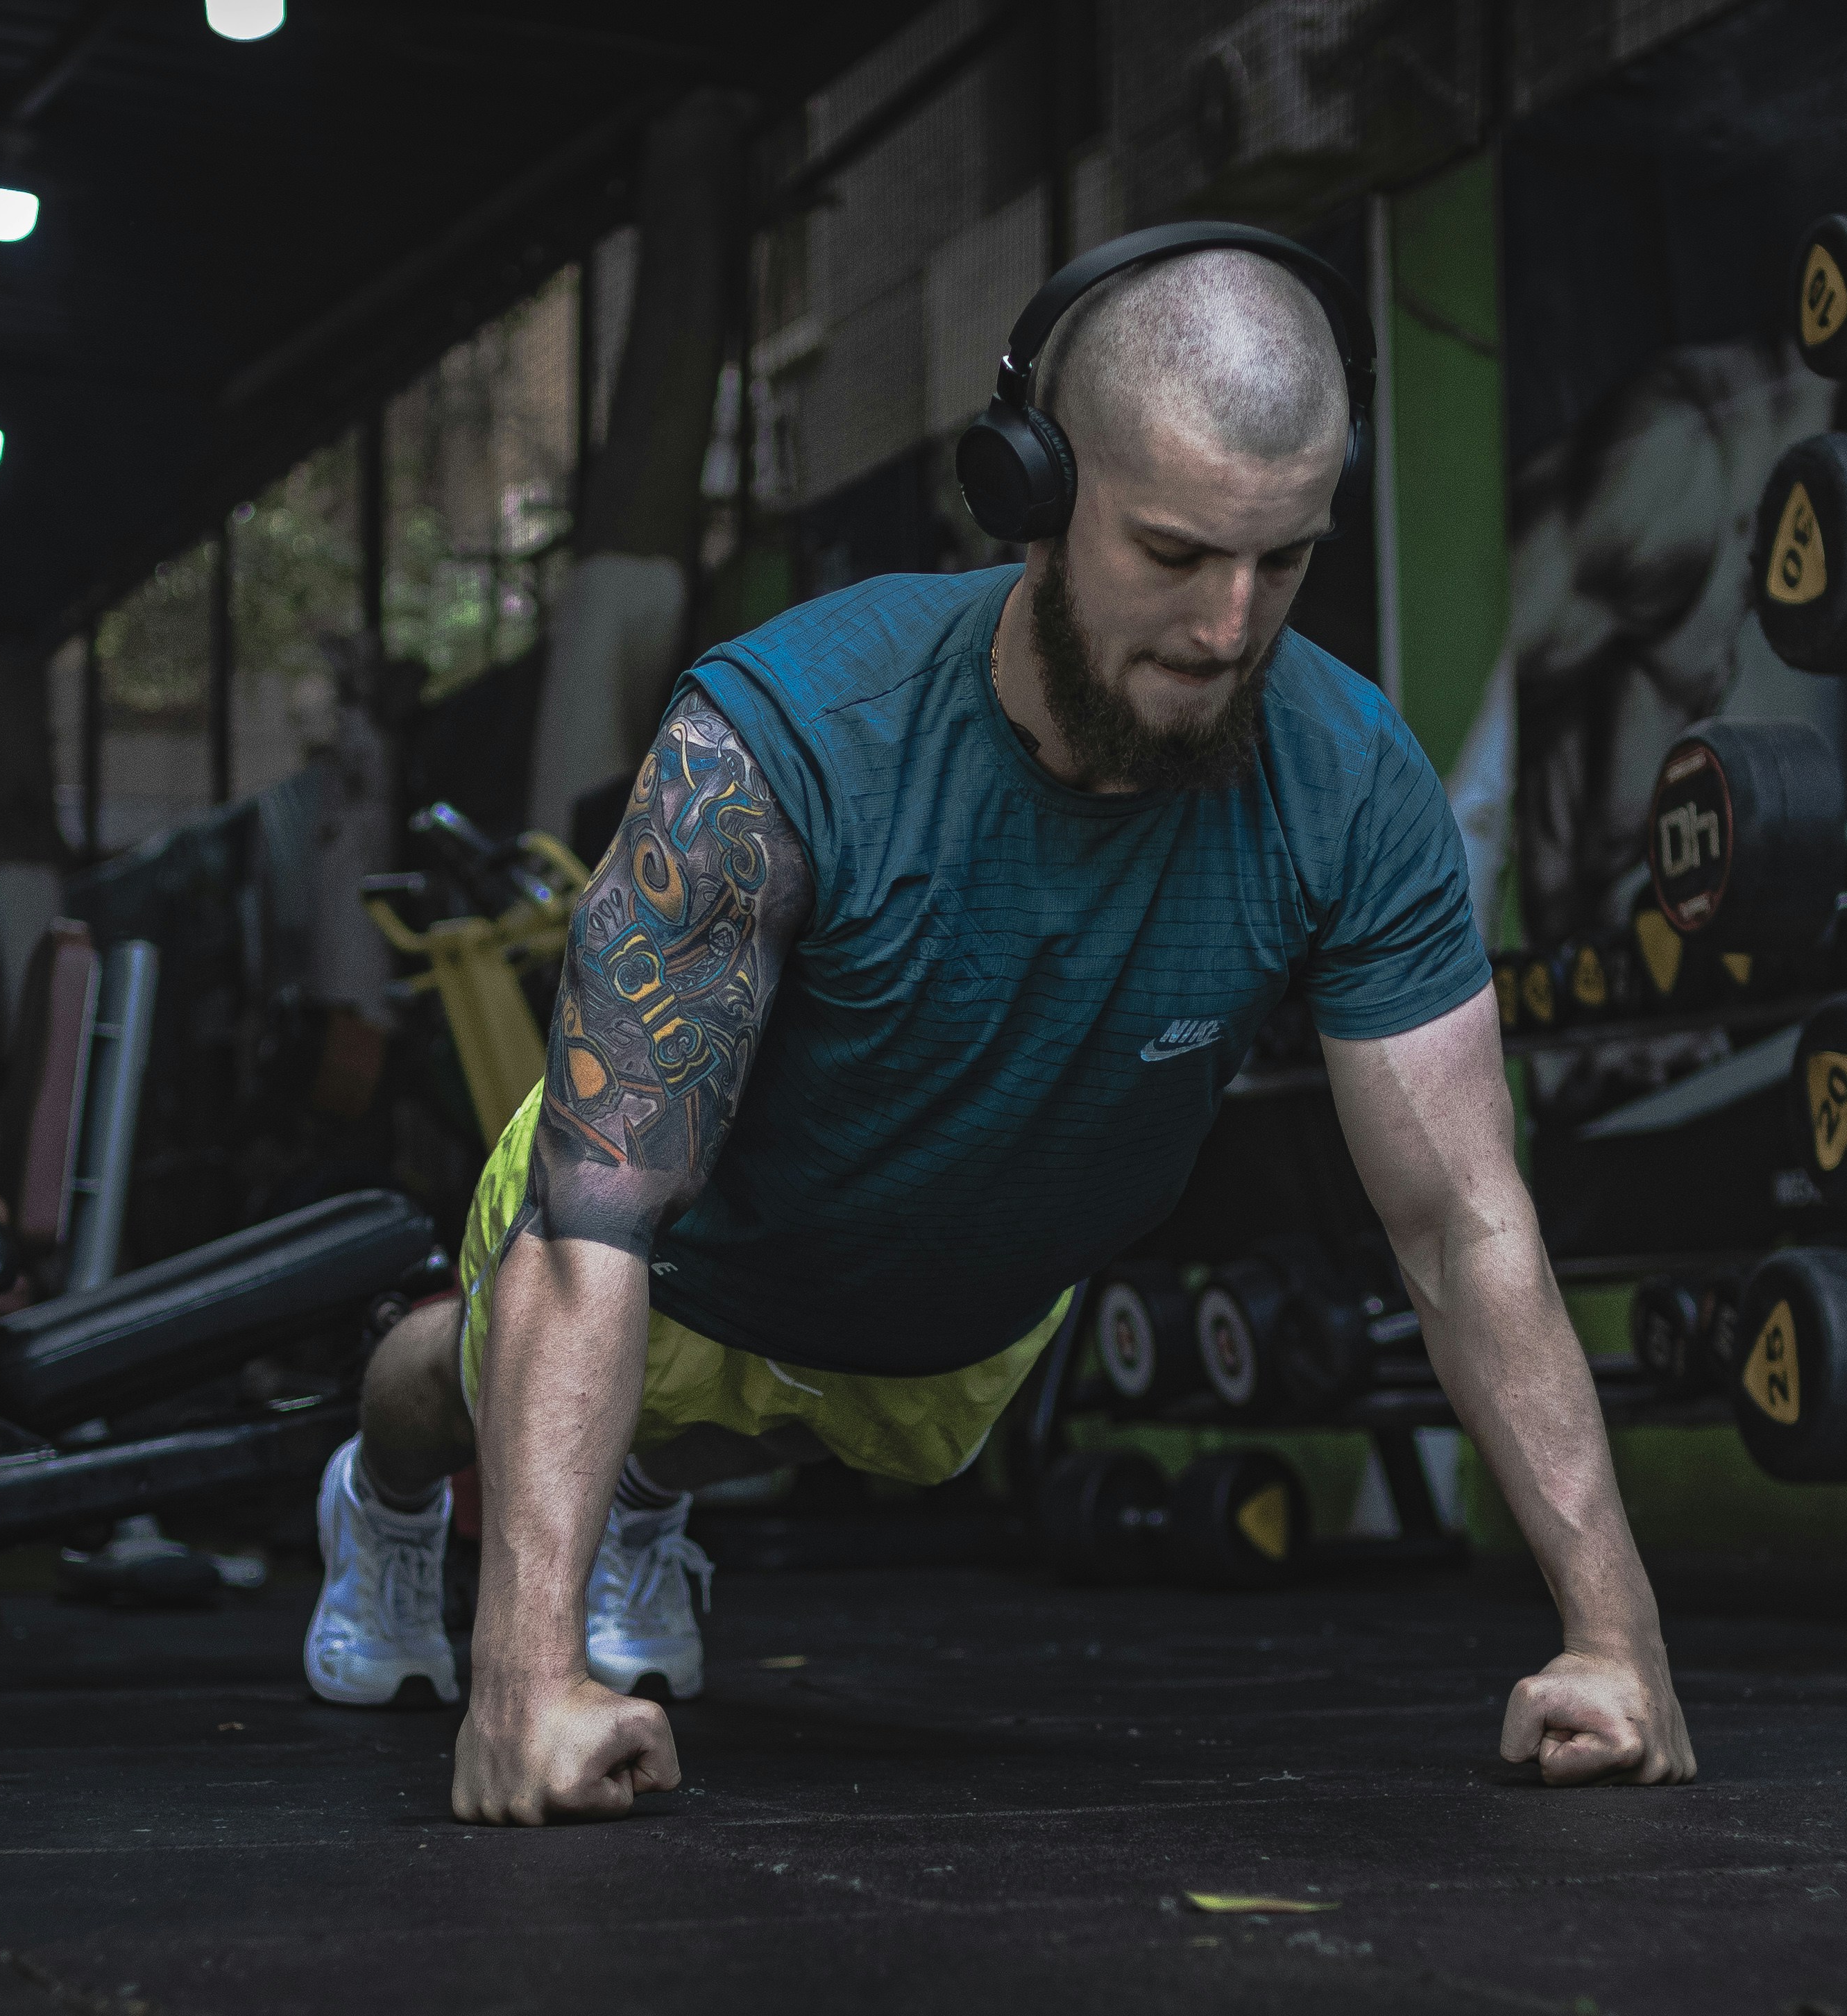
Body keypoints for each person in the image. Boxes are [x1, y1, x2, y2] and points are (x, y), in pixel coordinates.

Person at [303, 228, 1696, 1822]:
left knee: (734, 1435)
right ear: (1032, 496)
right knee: (454, 1374)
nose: (1230, 627)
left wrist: (1617, 1638)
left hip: (948, 1340)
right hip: (667, 1267)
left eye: (1283, 559)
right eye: (1172, 553)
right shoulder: (777, 745)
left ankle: (635, 1493)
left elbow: (1463, 1224)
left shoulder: (1351, 780)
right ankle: (384, 1503)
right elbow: (594, 1228)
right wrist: (526, 1677)